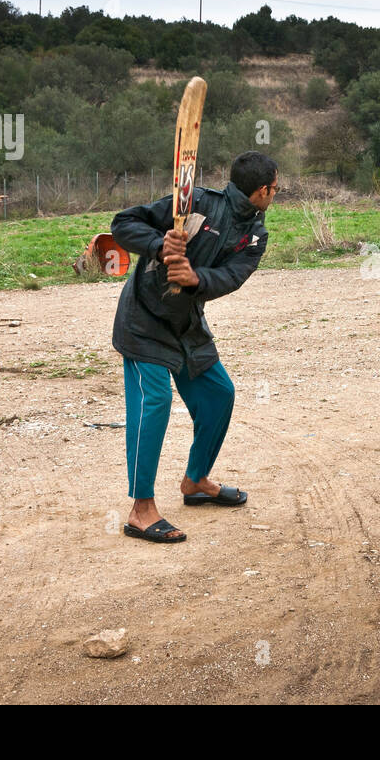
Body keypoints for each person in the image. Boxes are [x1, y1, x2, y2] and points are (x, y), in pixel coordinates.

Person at [109, 151, 277, 543]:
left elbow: (232, 276)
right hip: (143, 322)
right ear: (264, 190)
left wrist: (195, 277)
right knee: (155, 401)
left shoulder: (255, 234)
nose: (276, 194)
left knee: (219, 395)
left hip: (186, 325)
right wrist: (159, 245)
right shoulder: (196, 203)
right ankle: (141, 509)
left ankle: (196, 480)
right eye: (275, 188)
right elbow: (123, 224)